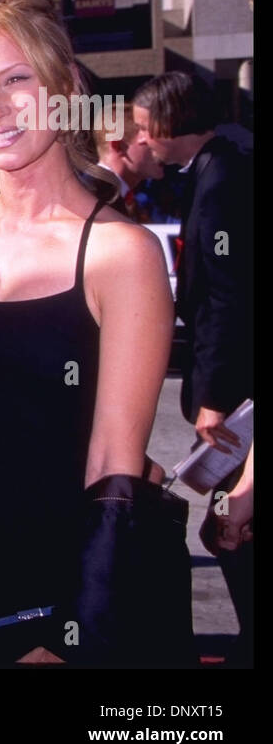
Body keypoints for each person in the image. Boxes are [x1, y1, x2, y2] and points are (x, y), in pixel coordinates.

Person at [0, 0, 188, 666]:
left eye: (17, 78)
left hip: (60, 609)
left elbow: (115, 468)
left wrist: (69, 638)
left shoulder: (121, 254)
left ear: (66, 86)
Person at [133, 70, 254, 666]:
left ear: (166, 120)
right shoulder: (219, 166)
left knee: (234, 528)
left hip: (234, 405)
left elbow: (228, 297)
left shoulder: (223, 175)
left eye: (141, 126)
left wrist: (212, 397)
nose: (140, 140)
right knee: (229, 525)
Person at [90, 98, 162, 221]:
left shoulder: (109, 194)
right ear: (118, 146)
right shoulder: (90, 195)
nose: (160, 148)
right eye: (149, 141)